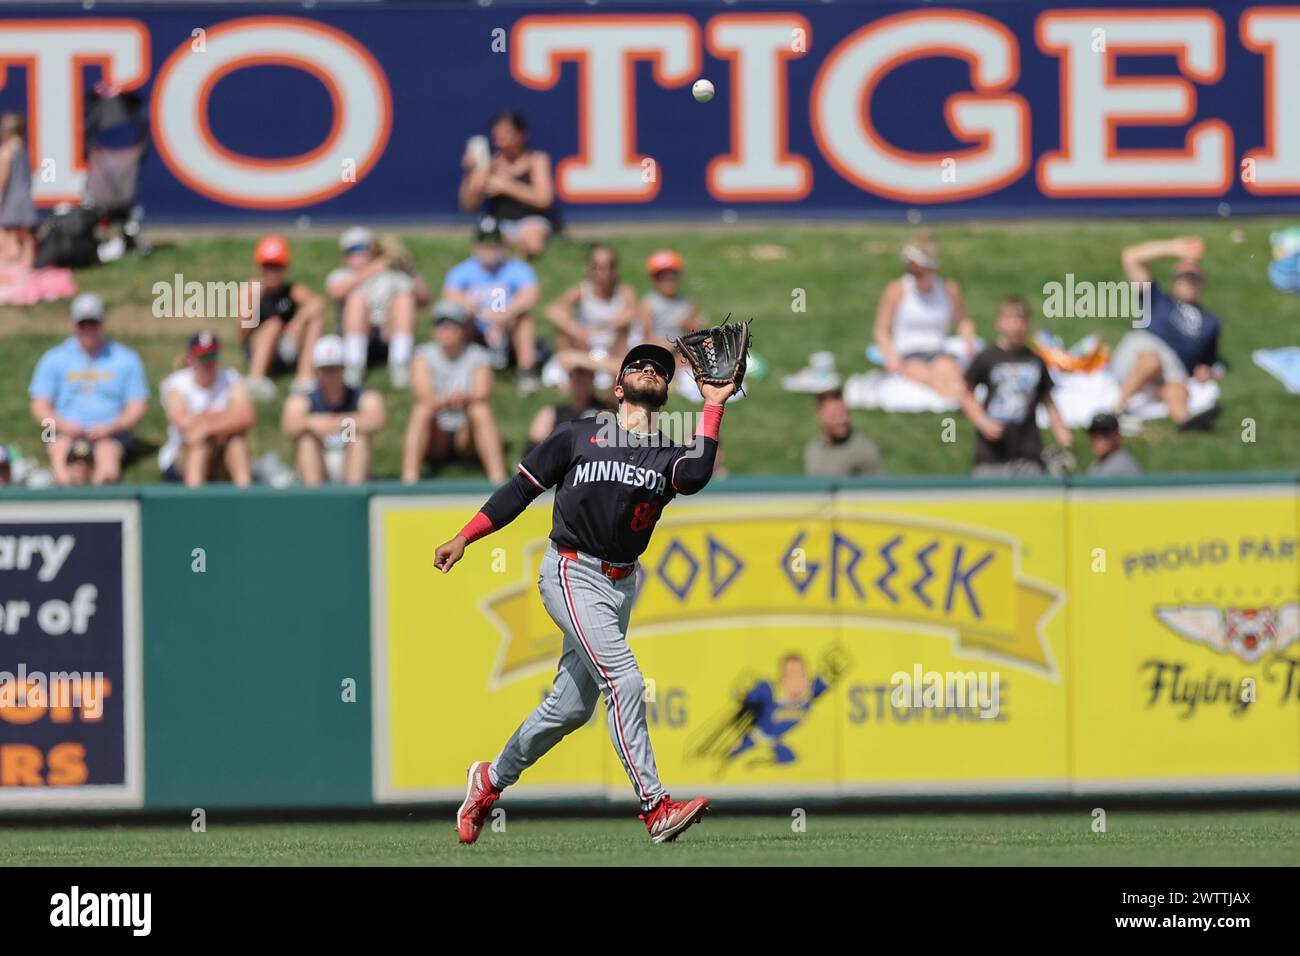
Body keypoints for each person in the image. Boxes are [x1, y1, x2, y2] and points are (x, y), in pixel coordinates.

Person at [435, 342, 738, 845]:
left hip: (620, 585)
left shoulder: (666, 451)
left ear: (665, 391)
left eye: (660, 371)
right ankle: (656, 807)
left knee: (569, 708)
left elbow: (697, 474)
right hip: (571, 572)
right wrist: (465, 536)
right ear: (618, 386)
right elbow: (520, 491)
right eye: (639, 365)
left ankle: (488, 780)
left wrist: (714, 404)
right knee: (625, 681)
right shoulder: (578, 435)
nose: (650, 370)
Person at [29, 293, 148, 486]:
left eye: (93, 323)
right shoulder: (54, 358)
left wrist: (110, 427)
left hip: (110, 432)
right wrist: (63, 426)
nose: (88, 329)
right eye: (82, 324)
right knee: (58, 450)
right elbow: (39, 406)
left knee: (107, 456)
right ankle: (61, 490)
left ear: (102, 323)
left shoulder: (126, 358)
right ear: (73, 324)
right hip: (60, 430)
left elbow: (138, 407)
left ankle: (105, 500)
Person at [1116, 236, 1223, 430]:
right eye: (1182, 277)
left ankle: (1186, 422)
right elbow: (1130, 257)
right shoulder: (1157, 299)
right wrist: (1173, 248)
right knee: (1152, 359)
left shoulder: (1211, 322)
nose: (1187, 282)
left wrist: (1206, 370)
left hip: (1169, 373)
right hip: (1138, 357)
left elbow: (1207, 362)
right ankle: (1116, 411)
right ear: (1174, 282)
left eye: (1193, 278)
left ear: (1202, 284)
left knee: (1177, 387)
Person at [961, 297, 1073, 476]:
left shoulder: (1036, 360)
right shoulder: (986, 358)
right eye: (1010, 319)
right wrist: (982, 421)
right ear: (999, 322)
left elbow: (1047, 400)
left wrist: (1062, 433)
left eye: (1019, 319)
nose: (1015, 325)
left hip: (1028, 453)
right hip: (991, 455)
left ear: (1026, 323)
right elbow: (965, 394)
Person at [401, 300, 505, 484]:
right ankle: (409, 479)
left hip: (466, 433)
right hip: (437, 433)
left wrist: (463, 399)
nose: (446, 330)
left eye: (452, 325)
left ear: (463, 330)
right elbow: (423, 394)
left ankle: (498, 479)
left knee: (480, 410)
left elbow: (482, 393)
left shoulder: (478, 356)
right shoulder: (422, 356)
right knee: (421, 410)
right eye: (441, 324)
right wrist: (446, 401)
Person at [442, 217, 540, 393]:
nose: (489, 248)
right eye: (484, 242)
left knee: (524, 320)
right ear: (476, 245)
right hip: (476, 329)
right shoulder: (462, 271)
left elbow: (530, 295)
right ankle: (457, 371)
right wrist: (481, 314)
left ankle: (526, 372)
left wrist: (504, 316)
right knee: (456, 319)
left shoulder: (517, 268)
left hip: (508, 327)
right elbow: (450, 295)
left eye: (494, 242)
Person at [872, 232, 975, 399]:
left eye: (920, 271)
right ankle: (957, 411)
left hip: (938, 351)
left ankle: (962, 407)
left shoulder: (948, 289)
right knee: (932, 380)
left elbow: (963, 320)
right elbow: (881, 329)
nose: (914, 274)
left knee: (952, 376)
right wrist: (891, 356)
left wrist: (968, 340)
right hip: (909, 353)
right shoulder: (897, 290)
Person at [324, 226, 426, 389]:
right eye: (353, 250)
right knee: (357, 300)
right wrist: (377, 266)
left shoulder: (390, 275)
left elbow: (423, 299)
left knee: (404, 299)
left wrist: (409, 268)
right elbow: (336, 292)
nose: (359, 254)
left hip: (386, 335)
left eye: (364, 248)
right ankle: (354, 367)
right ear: (345, 255)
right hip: (353, 338)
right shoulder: (341, 274)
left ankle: (400, 363)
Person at [281, 335, 387, 486]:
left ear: (343, 369)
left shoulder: (362, 396)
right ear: (317, 371)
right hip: (319, 459)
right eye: (325, 369)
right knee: (307, 441)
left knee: (358, 439)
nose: (330, 375)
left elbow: (376, 419)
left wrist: (340, 423)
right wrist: (313, 424)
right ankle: (314, 497)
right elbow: (289, 425)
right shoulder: (304, 400)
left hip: (350, 458)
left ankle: (353, 498)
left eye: (335, 369)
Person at [158, 332, 256, 487]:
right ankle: (195, 502)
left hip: (223, 454)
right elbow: (183, 424)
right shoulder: (176, 383)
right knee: (200, 444)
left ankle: (245, 495)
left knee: (236, 441)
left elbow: (246, 416)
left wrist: (206, 427)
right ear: (190, 359)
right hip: (182, 455)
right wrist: (226, 418)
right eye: (202, 357)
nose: (208, 362)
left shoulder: (231, 378)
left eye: (212, 356)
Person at [458, 110, 558, 259]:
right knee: (488, 244)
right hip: (499, 223)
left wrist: (507, 186)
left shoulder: (536, 160)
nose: (502, 138)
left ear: (521, 135)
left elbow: (544, 199)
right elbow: (467, 205)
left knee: (532, 240)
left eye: (507, 133)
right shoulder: (489, 164)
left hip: (531, 221)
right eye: (497, 134)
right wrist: (470, 173)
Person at [239, 235, 324, 403]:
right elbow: (242, 335)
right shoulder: (251, 290)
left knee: (315, 319)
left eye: (277, 267)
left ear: (285, 268)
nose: (272, 272)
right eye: (267, 267)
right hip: (258, 348)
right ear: (259, 268)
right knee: (273, 324)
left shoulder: (291, 290)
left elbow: (318, 303)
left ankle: (304, 379)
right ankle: (255, 379)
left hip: (287, 346)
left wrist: (298, 320)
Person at [546, 243, 637, 380]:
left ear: (615, 270)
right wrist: (575, 329)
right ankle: (582, 367)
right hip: (585, 345)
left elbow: (629, 315)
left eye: (607, 267)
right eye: (597, 267)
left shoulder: (623, 292)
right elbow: (553, 311)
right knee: (562, 331)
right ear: (588, 269)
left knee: (624, 332)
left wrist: (599, 329)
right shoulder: (582, 290)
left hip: (612, 348)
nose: (602, 273)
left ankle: (583, 364)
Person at [524, 354, 614, 454]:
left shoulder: (607, 408)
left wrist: (584, 360)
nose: (581, 381)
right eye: (576, 376)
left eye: (585, 376)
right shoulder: (552, 412)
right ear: (569, 379)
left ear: (593, 379)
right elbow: (533, 450)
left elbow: (621, 370)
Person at [803, 389, 886, 477]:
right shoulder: (813, 448)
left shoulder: (864, 449)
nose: (842, 420)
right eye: (834, 415)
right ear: (819, 415)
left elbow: (881, 487)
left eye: (845, 413)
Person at [636, 249, 703, 346]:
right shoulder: (648, 303)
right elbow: (644, 338)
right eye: (662, 277)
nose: (668, 280)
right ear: (654, 278)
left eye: (671, 276)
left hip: (685, 351)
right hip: (659, 351)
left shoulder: (687, 302)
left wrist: (690, 325)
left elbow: (698, 333)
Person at [0, 112, 37, 268]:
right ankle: (27, 264)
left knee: (7, 234)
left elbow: (2, 177)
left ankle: (11, 265)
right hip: (24, 196)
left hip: (11, 199)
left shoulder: (6, 151)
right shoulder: (23, 149)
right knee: (25, 236)